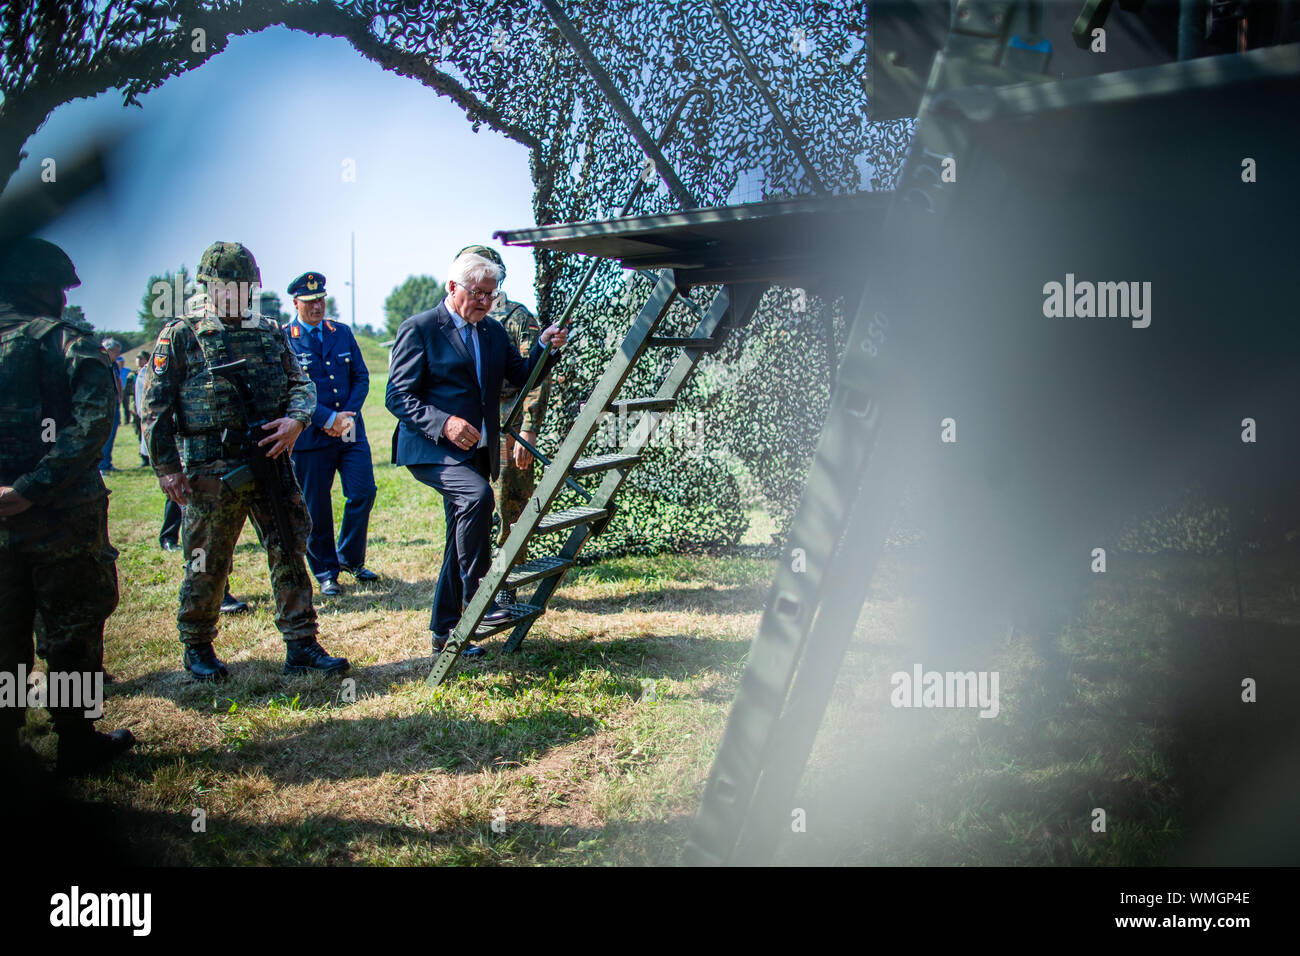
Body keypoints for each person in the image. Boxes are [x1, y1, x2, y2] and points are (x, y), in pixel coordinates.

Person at [141, 241, 348, 681]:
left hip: (270, 461)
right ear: (209, 287)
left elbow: (301, 382)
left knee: (289, 547)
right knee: (207, 557)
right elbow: (155, 405)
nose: (236, 294)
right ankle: (197, 644)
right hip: (211, 469)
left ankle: (301, 643)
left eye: (244, 285)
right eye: (227, 286)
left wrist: (295, 421)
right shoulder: (183, 334)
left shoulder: (269, 330)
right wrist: (166, 468)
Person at [385, 250, 567, 657]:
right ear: (452, 287)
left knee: (459, 535)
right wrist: (444, 422)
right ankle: (479, 602)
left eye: (491, 293)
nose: (485, 301)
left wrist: (544, 348)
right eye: (477, 292)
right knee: (478, 499)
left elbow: (521, 376)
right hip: (430, 448)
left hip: (474, 453)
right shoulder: (420, 328)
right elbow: (396, 395)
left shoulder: (491, 332)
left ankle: (443, 630)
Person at [0, 237, 135, 774]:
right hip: (62, 522)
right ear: (40, 287)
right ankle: (76, 740)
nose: (62, 298)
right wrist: (32, 488)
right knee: (72, 630)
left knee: (6, 632)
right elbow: (92, 430)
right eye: (58, 287)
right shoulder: (67, 343)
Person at [455, 244, 550, 610]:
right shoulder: (460, 317)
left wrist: (528, 428)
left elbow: (536, 377)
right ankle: (476, 579)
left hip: (510, 424)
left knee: (511, 505)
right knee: (475, 505)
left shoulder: (516, 317)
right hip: (476, 424)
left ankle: (508, 580)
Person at [283, 271, 378, 596]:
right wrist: (326, 417)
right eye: (309, 302)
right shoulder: (286, 338)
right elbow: (289, 389)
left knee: (363, 491)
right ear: (296, 303)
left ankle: (350, 557)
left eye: (321, 300)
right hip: (311, 435)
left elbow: (361, 377)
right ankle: (325, 571)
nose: (317, 306)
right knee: (317, 507)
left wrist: (346, 415)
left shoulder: (342, 332)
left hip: (350, 430)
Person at [137, 357, 247, 613]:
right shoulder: (176, 344)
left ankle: (219, 587)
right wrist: (167, 467)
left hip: (225, 455)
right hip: (191, 457)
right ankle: (203, 596)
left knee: (219, 528)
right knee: (202, 531)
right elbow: (153, 412)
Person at [97, 338, 122, 472]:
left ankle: (106, 463)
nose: (117, 356)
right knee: (104, 436)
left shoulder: (114, 365)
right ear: (108, 350)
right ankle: (101, 466)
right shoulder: (98, 364)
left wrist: (120, 397)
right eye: (116, 353)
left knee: (111, 435)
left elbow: (118, 381)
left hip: (115, 404)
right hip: (103, 406)